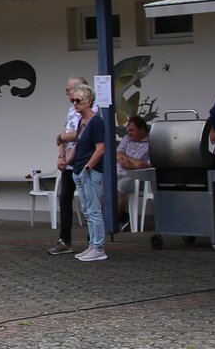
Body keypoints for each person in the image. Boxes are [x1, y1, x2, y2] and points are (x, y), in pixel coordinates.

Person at [66, 86, 111, 263]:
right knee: (87, 210)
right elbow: (78, 143)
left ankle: (98, 247)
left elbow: (101, 149)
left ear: (89, 101)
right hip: (79, 169)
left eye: (79, 100)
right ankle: (92, 245)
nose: (75, 104)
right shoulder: (81, 122)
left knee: (93, 210)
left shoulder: (96, 122)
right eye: (73, 101)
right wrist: (70, 160)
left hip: (90, 172)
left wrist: (88, 168)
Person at [45, 75, 88, 256]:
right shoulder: (71, 109)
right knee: (64, 200)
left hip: (85, 162)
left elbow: (81, 133)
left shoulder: (91, 109)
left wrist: (62, 137)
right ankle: (65, 240)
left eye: (68, 90)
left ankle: (93, 241)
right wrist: (61, 155)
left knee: (88, 202)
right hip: (69, 163)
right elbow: (63, 133)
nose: (66, 93)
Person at [115, 114, 152, 230]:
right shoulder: (127, 139)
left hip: (137, 178)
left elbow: (145, 165)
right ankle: (123, 218)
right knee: (100, 186)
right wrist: (134, 161)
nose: (129, 133)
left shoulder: (152, 143)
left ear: (142, 129)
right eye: (128, 130)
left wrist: (129, 163)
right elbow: (118, 154)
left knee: (120, 187)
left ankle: (110, 222)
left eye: (132, 130)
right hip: (118, 172)